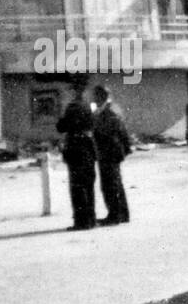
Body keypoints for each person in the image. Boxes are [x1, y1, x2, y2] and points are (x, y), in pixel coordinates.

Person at [55, 83, 97, 230]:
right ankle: (91, 219)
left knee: (78, 188)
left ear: (73, 93)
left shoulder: (72, 108)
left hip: (76, 150)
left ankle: (81, 222)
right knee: (89, 186)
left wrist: (61, 116)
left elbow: (61, 127)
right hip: (88, 148)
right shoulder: (88, 107)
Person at [92, 84, 132, 225]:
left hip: (109, 153)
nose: (94, 99)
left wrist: (94, 123)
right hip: (111, 152)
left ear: (102, 96)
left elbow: (108, 132)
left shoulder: (109, 112)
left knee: (110, 185)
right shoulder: (109, 110)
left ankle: (115, 215)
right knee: (115, 184)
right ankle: (122, 214)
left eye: (96, 96)